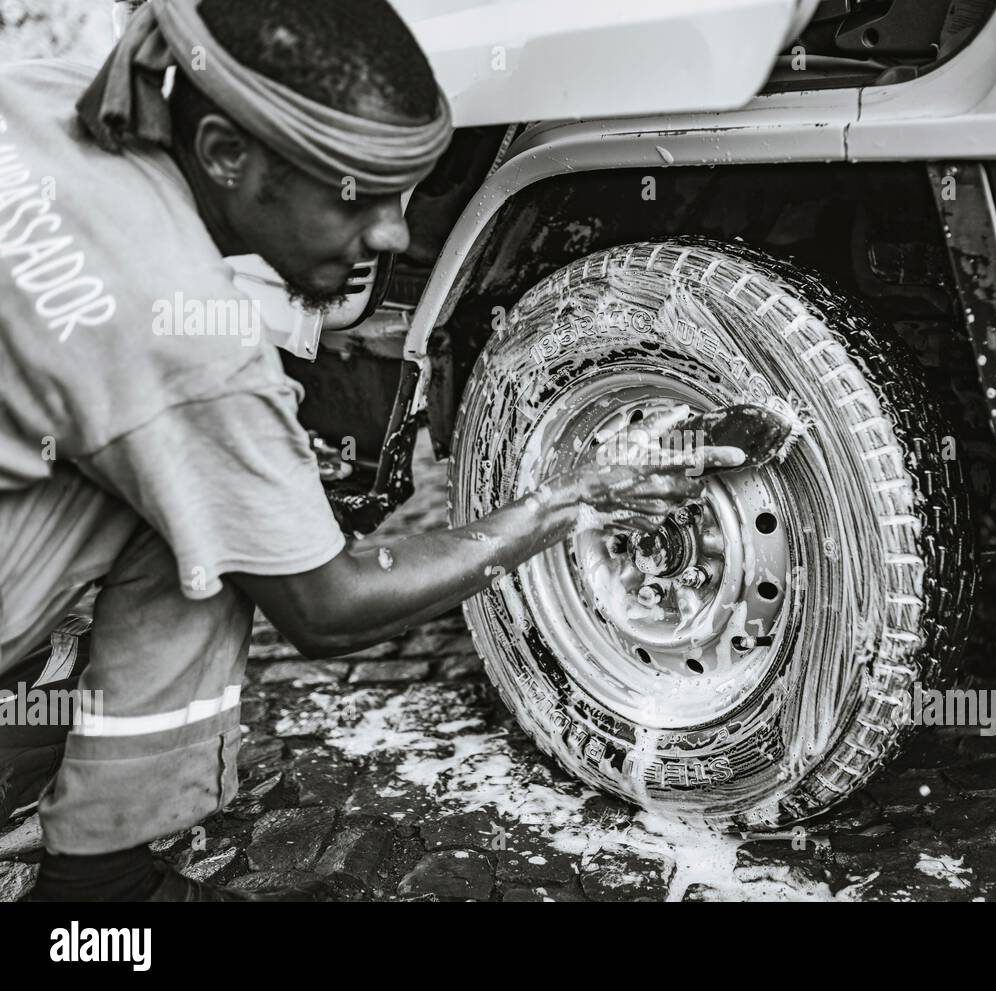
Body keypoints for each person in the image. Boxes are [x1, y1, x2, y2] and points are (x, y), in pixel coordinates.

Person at [0, 0, 742, 902]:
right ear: (227, 156)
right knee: (218, 520)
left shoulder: (36, 100)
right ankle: (99, 903)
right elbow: (328, 606)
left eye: (402, 196)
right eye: (356, 192)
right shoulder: (190, 350)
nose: (392, 233)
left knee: (192, 478)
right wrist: (566, 498)